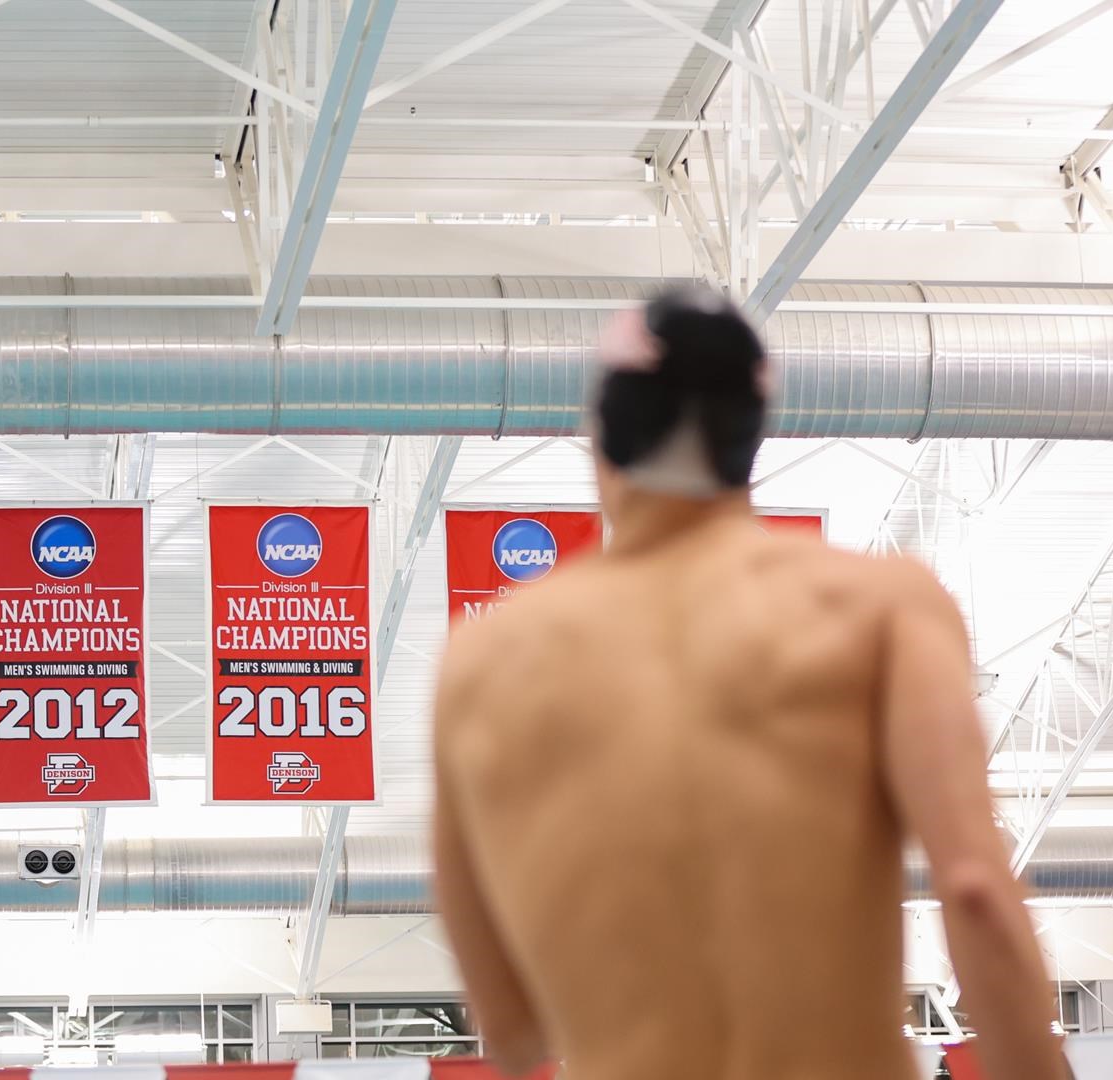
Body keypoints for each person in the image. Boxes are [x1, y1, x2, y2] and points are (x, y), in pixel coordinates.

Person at [431, 288, 1065, 1080]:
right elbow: (974, 887)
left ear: (601, 437)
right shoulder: (880, 607)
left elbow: (508, 1022)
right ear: (754, 433)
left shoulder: (488, 658)